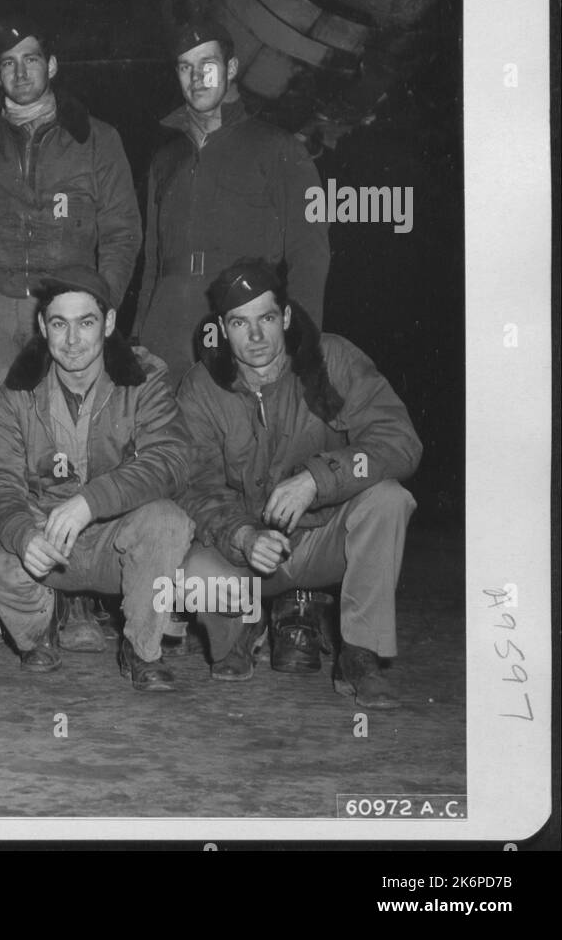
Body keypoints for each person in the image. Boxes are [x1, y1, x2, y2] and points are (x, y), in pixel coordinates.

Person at [175, 259, 421, 709]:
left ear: (285, 317)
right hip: (250, 552)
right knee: (195, 573)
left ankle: (360, 654)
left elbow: (400, 441)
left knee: (389, 500)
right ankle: (239, 631)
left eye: (266, 318)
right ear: (223, 329)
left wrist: (318, 478)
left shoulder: (332, 359)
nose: (255, 337)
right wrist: (242, 535)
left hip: (326, 537)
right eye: (239, 323)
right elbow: (195, 486)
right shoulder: (201, 388)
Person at [0, 266, 194, 689]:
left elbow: (171, 458)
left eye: (86, 323)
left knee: (167, 520)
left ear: (108, 323)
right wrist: (20, 534)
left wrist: (93, 501)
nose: (72, 340)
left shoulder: (144, 376)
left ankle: (142, 649)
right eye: (59, 324)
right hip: (44, 540)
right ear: (42, 327)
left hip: (114, 542)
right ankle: (38, 627)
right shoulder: (13, 387)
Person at [0, 15, 140, 381]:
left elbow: (121, 233)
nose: (20, 72)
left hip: (63, 302)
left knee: (55, 421)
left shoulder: (97, 140)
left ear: (52, 65)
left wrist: (100, 303)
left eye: (30, 59)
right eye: (8, 63)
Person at [137, 19, 330, 386]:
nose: (197, 77)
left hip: (239, 328)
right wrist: (139, 336)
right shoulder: (164, 160)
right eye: (185, 67)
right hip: (165, 336)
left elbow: (310, 253)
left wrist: (298, 342)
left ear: (232, 69)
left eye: (207, 65)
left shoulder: (280, 149)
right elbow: (152, 262)